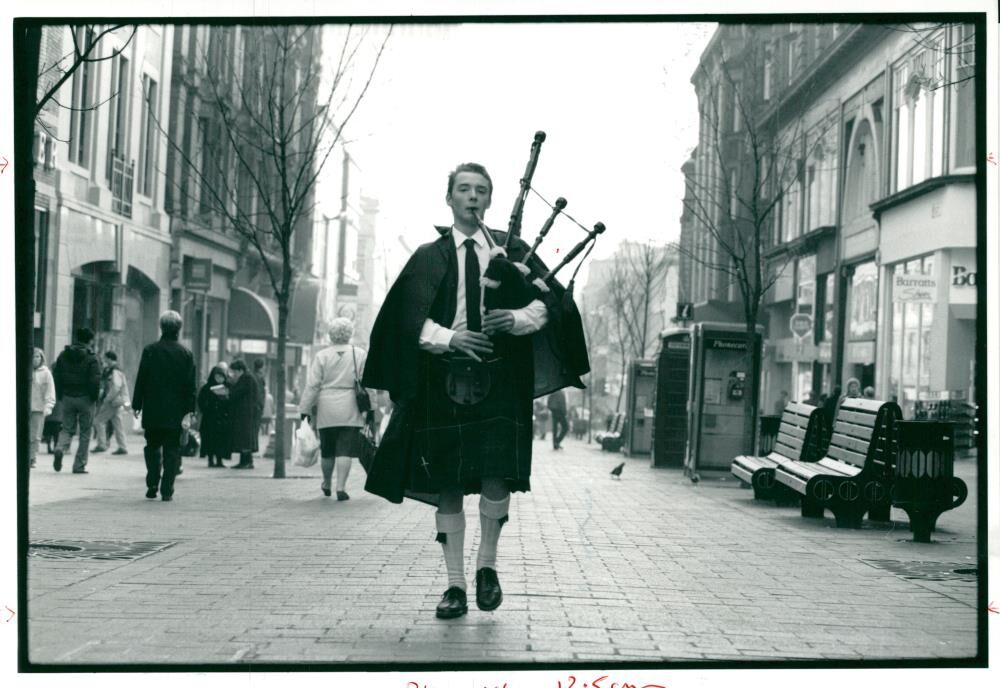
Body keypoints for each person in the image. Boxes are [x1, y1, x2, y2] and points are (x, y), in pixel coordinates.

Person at [362, 161, 588, 620]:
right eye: (463, 189)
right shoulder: (430, 255)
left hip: (501, 375)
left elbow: (552, 304)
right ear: (449, 198)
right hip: (443, 378)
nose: (472, 197)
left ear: (489, 199)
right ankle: (454, 586)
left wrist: (518, 319)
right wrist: (451, 337)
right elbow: (405, 321)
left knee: (495, 475)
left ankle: (487, 567)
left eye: (480, 190)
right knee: (446, 481)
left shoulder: (513, 251)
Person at [298, 317, 372, 500]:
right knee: (345, 449)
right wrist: (371, 409)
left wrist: (305, 408)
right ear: (350, 333)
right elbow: (368, 383)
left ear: (331, 334)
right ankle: (341, 487)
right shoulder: (359, 354)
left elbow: (313, 385)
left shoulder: (322, 356)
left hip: (326, 406)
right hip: (350, 405)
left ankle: (326, 482)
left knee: (328, 449)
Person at [132, 311, 197, 501]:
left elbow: (141, 378)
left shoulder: (150, 350)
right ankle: (167, 488)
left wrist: (137, 404)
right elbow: (190, 386)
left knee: (152, 446)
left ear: (161, 327)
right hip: (175, 412)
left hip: (153, 409)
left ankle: (152, 481)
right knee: (172, 449)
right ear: (179, 329)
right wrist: (189, 411)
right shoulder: (186, 354)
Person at [51, 327, 102, 473]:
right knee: (85, 432)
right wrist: (94, 398)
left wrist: (60, 394)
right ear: (90, 340)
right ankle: (79, 465)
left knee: (67, 428)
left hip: (67, 397)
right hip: (86, 398)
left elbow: (57, 376)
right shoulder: (92, 358)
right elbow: (95, 381)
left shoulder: (63, 355)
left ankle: (60, 448)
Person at [92, 351, 130, 455]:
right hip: (118, 401)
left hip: (112, 401)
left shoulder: (114, 371)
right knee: (118, 424)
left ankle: (102, 444)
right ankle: (123, 446)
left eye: (105, 358)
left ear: (109, 358)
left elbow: (116, 387)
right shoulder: (116, 369)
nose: (104, 360)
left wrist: (107, 398)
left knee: (98, 421)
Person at [227, 359, 259, 469]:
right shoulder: (247, 378)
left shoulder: (246, 379)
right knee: (244, 437)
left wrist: (229, 387)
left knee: (245, 438)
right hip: (246, 413)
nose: (233, 374)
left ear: (240, 370)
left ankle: (246, 462)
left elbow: (235, 393)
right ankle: (245, 461)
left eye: (235, 372)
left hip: (245, 414)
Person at [197, 365, 231, 468]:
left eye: (221, 377)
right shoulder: (206, 388)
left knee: (221, 440)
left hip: (222, 418)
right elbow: (200, 401)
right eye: (217, 377)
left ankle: (220, 460)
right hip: (210, 418)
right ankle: (211, 459)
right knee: (210, 439)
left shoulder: (227, 388)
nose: (219, 379)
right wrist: (206, 408)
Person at [30, 348, 56, 469]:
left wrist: (48, 405)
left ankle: (32, 457)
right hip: (24, 408)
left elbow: (50, 391)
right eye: (34, 356)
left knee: (35, 435)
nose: (36, 359)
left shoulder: (46, 373)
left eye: (38, 357)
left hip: (38, 408)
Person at [252, 358, 267, 447]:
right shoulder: (260, 378)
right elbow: (261, 393)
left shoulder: (254, 376)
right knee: (255, 428)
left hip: (255, 406)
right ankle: (254, 446)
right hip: (257, 406)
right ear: (261, 368)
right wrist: (261, 406)